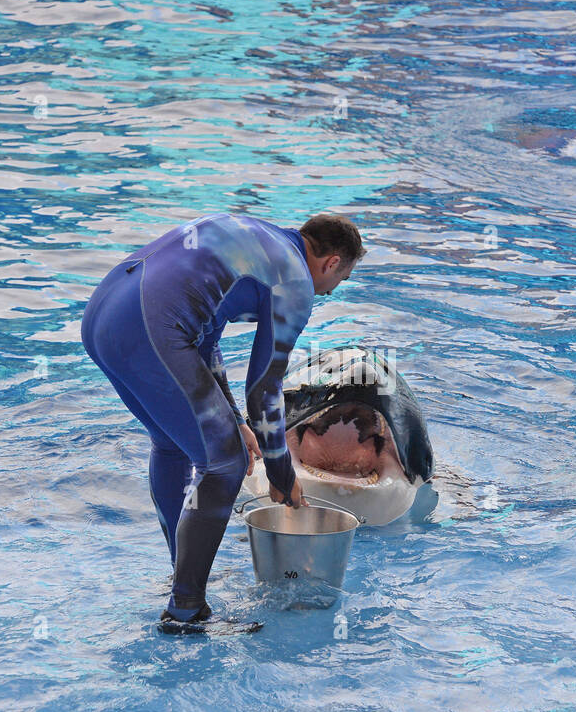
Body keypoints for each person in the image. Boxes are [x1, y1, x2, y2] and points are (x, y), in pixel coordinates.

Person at [80, 212, 365, 634]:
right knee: (226, 464)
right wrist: (282, 473)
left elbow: (204, 339)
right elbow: (265, 389)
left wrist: (235, 420)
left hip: (103, 317)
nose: (323, 294)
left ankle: (184, 576)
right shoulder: (296, 280)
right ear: (330, 263)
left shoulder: (258, 238)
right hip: (151, 325)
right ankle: (187, 611)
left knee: (173, 444)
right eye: (334, 285)